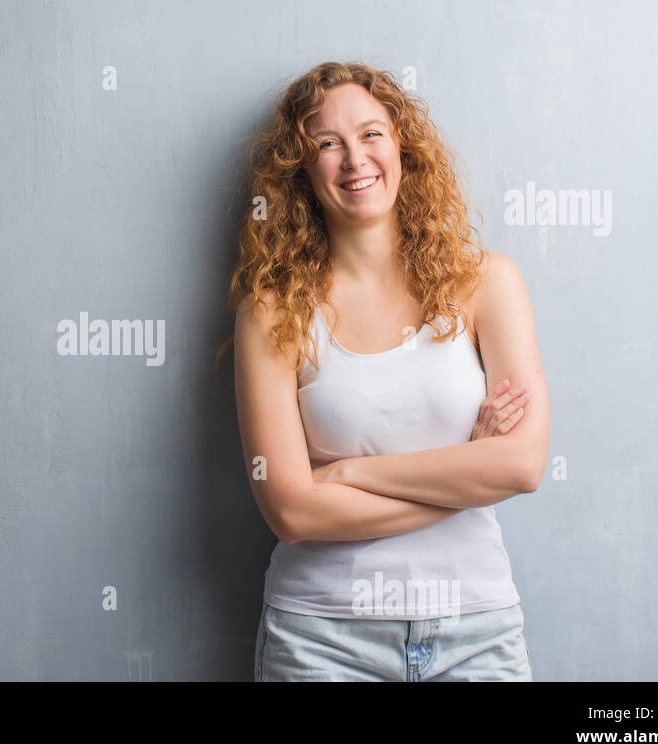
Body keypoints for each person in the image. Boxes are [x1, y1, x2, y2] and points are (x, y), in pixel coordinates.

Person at [214, 62, 550, 681]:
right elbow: (293, 514)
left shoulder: (488, 283)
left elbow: (522, 466)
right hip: (322, 640)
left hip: (475, 631)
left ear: (402, 145)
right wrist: (465, 474)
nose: (354, 158)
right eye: (326, 143)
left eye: (370, 133)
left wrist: (350, 474)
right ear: (301, 169)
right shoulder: (271, 312)